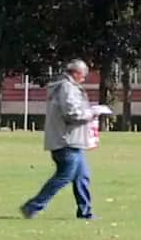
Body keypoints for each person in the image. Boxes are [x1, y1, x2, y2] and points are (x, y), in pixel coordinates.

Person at [21, 59, 99, 220]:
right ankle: (33, 206)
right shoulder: (67, 88)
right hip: (66, 141)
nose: (84, 79)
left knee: (82, 177)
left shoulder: (66, 87)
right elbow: (71, 113)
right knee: (64, 176)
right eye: (83, 76)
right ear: (76, 73)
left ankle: (85, 212)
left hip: (73, 141)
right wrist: (90, 114)